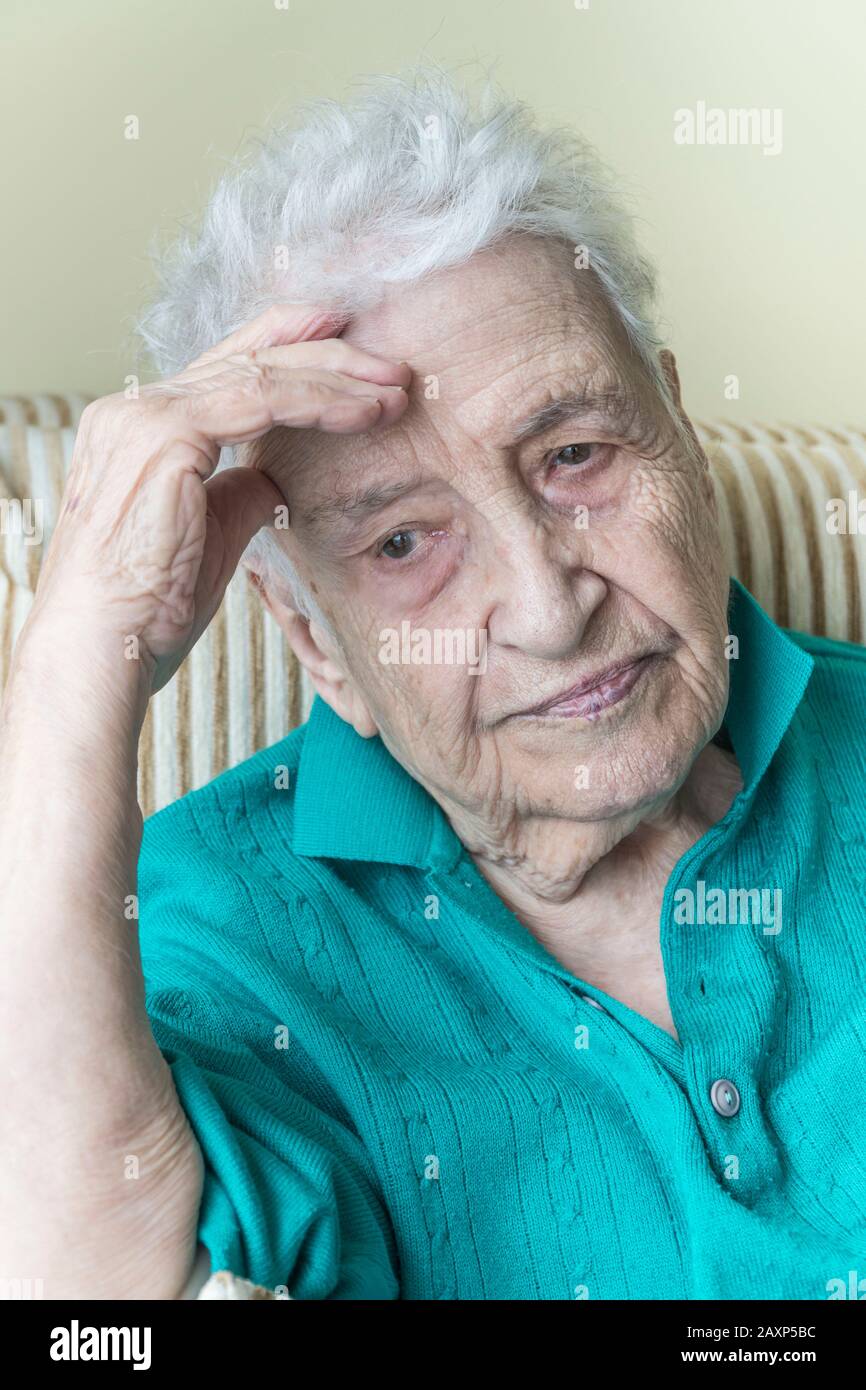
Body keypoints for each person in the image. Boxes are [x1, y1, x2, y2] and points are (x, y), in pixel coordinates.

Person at [2, 67, 864, 1301]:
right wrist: (76, 664)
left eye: (574, 454)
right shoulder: (199, 924)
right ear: (310, 641)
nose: (548, 601)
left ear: (677, 431)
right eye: (402, 539)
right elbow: (85, 1311)